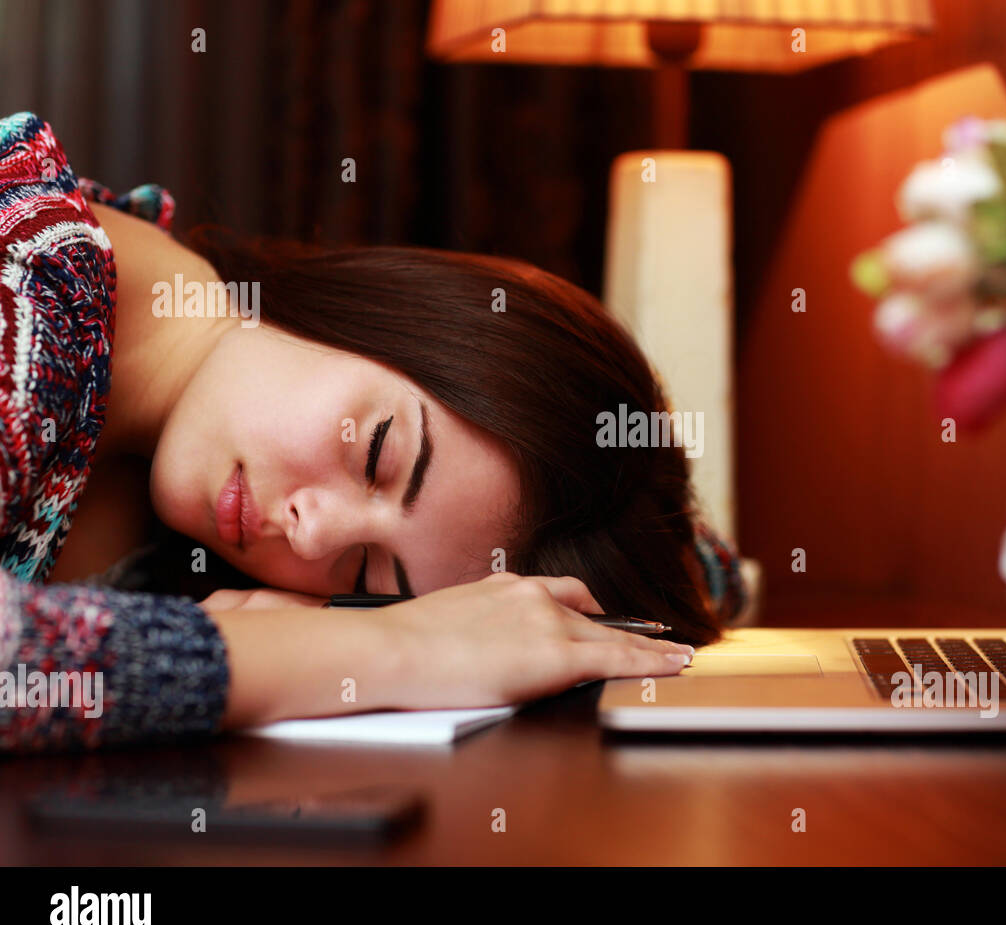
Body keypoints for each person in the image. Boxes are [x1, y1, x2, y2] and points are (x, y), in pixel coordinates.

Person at [0, 111, 745, 753]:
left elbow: (687, 561)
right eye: (378, 454)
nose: (311, 537)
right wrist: (383, 643)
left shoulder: (166, 415)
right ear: (390, 312)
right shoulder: (29, 296)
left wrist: (646, 585)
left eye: (363, 576)